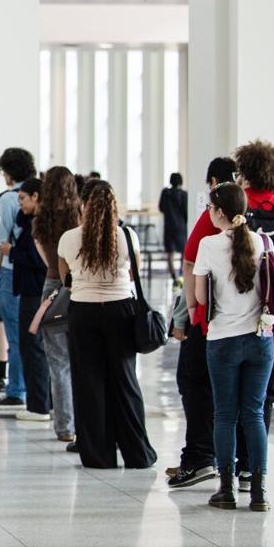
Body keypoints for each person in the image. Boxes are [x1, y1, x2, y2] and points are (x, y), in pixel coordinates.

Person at [182, 142, 274, 487]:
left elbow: (190, 261)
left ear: (243, 172)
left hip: (222, 324)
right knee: (261, 402)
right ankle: (251, 473)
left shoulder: (225, 208)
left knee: (216, 399)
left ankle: (210, 464)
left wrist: (193, 310)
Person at [57, 181, 157, 470]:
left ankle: (98, 455)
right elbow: (133, 272)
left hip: (83, 312)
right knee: (125, 382)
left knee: (89, 384)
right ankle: (138, 453)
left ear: (82, 204)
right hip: (121, 312)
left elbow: (66, 279)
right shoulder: (127, 236)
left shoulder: (68, 238)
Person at [193, 183, 274, 512]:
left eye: (210, 208)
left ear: (220, 212)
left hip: (223, 340)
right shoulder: (262, 241)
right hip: (260, 340)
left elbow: (201, 298)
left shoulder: (208, 245)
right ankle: (259, 492)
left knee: (225, 415)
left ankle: (226, 490)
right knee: (254, 415)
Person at [166, 157, 237, 486]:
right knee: (247, 401)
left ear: (213, 184)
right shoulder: (270, 219)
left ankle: (199, 458)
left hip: (210, 322)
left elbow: (191, 268)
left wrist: (186, 315)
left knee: (193, 382)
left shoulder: (213, 219)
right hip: (254, 327)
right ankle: (245, 470)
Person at [32, 167, 81, 445]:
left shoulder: (41, 219)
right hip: (80, 287)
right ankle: (84, 422)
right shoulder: (79, 216)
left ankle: (64, 426)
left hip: (52, 287)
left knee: (58, 361)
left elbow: (44, 256)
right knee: (81, 359)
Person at [0, 148, 36, 410]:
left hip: (10, 269)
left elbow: (3, 237)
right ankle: (32, 386)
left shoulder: (9, 198)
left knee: (15, 332)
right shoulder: (39, 192)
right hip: (34, 271)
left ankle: (16, 388)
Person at [9, 178, 52, 423]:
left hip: (35, 292)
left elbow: (37, 260)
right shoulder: (35, 221)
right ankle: (45, 402)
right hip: (35, 291)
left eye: (23, 198)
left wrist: (12, 252)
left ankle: (38, 405)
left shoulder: (39, 225)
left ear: (36, 196)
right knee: (37, 348)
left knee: (32, 347)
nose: (20, 204)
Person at [159, 172, 189, 281]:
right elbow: (186, 212)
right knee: (183, 252)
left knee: (170, 253)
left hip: (168, 226)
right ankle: (181, 275)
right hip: (181, 227)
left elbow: (161, 208)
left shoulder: (165, 193)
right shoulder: (184, 194)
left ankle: (174, 277)